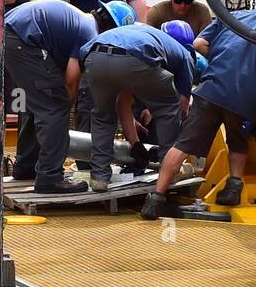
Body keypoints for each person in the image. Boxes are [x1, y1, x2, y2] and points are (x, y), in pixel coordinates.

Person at [141, 0, 256, 219]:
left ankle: (156, 199)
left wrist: (226, 57)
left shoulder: (233, 16)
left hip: (211, 89)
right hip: (245, 96)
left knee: (183, 145)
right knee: (238, 143)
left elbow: (199, 44)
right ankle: (234, 188)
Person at [4, 0, 131, 193]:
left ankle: (26, 167)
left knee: (39, 104)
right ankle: (50, 177)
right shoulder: (90, 33)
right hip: (22, 39)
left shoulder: (81, 21)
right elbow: (72, 78)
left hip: (11, 33)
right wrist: (65, 108)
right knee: (54, 107)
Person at [79, 18, 194, 190]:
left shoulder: (146, 35)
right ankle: (169, 170)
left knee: (103, 116)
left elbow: (122, 103)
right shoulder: (185, 56)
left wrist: (135, 143)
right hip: (134, 58)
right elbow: (183, 108)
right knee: (169, 109)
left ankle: (99, 178)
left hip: (95, 56)